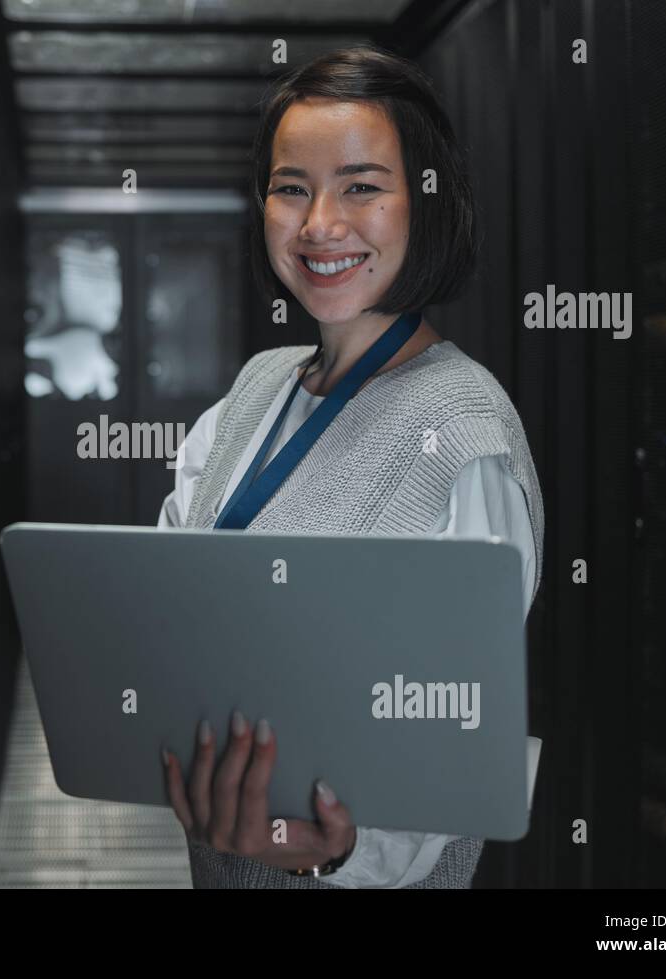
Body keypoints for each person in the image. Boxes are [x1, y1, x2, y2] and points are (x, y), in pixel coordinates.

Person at [155, 45, 545, 889]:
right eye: (291, 187)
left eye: (362, 186)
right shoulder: (254, 392)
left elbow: (455, 729)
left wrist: (332, 850)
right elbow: (163, 597)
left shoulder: (463, 432)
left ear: (428, 203)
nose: (319, 223)